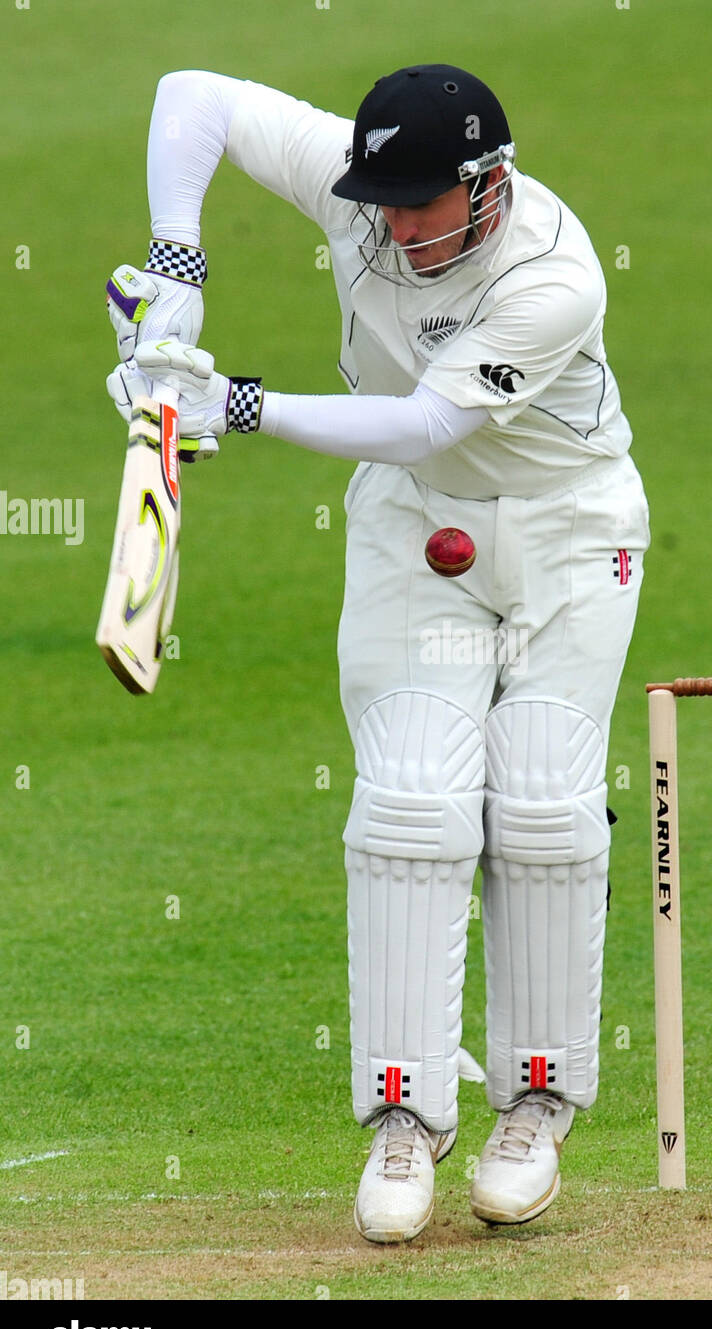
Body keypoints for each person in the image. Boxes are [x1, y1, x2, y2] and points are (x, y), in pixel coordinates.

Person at [106, 64, 650, 1244]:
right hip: (417, 525)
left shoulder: (552, 275)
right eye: (381, 201)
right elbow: (190, 95)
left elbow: (429, 422)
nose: (395, 228)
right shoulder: (366, 198)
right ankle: (405, 1119)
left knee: (545, 800)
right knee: (410, 801)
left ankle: (535, 1104)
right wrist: (175, 276)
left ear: (486, 183)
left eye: (421, 205)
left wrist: (234, 407)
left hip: (567, 527)